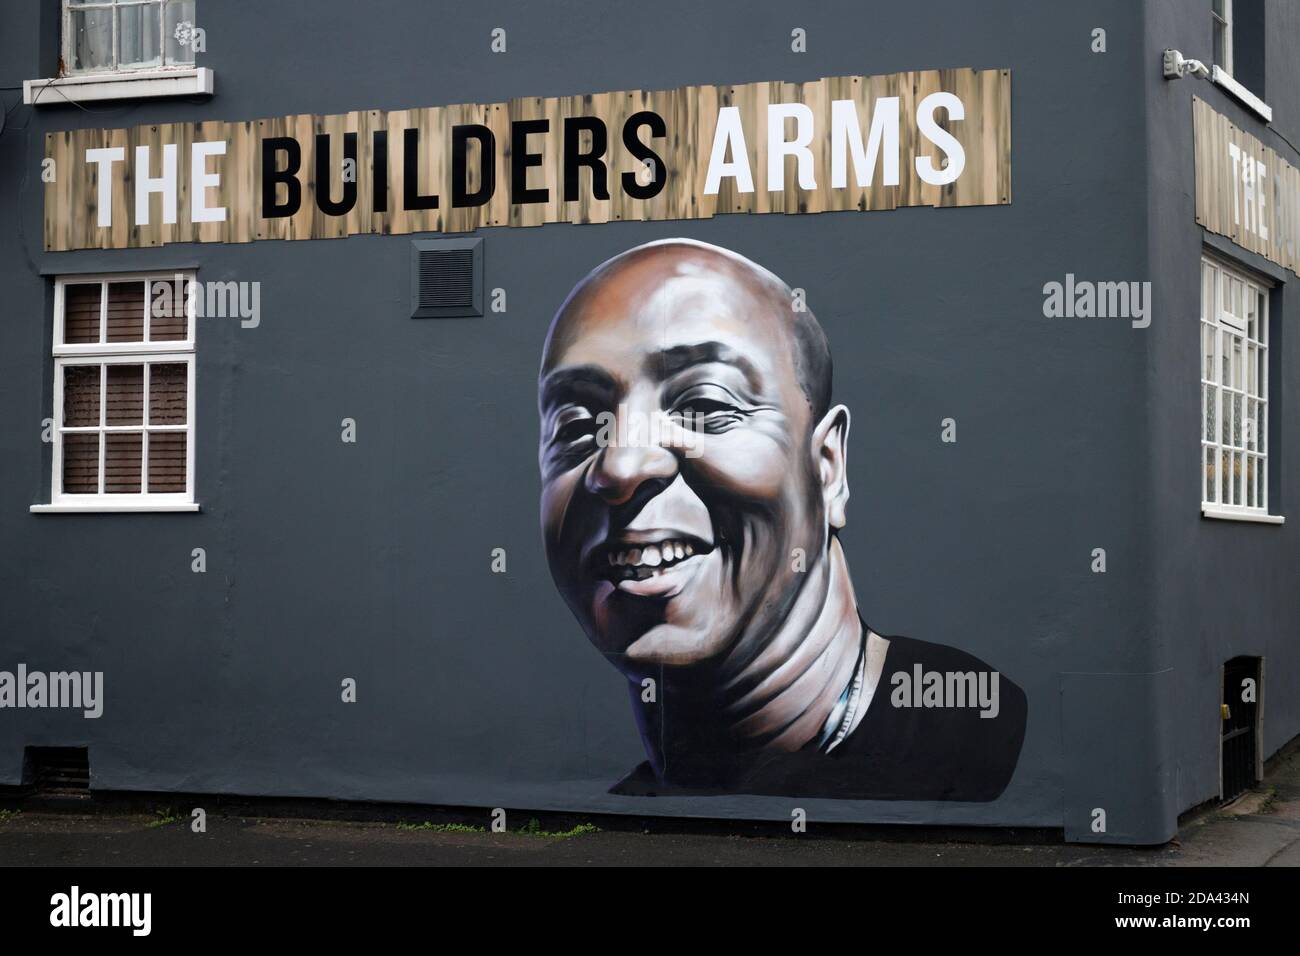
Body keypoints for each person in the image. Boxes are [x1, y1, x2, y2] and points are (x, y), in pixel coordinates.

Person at [537, 238, 1025, 800]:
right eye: (577, 427)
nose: (619, 464)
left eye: (706, 407)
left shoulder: (981, 745)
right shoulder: (636, 810)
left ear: (827, 467)